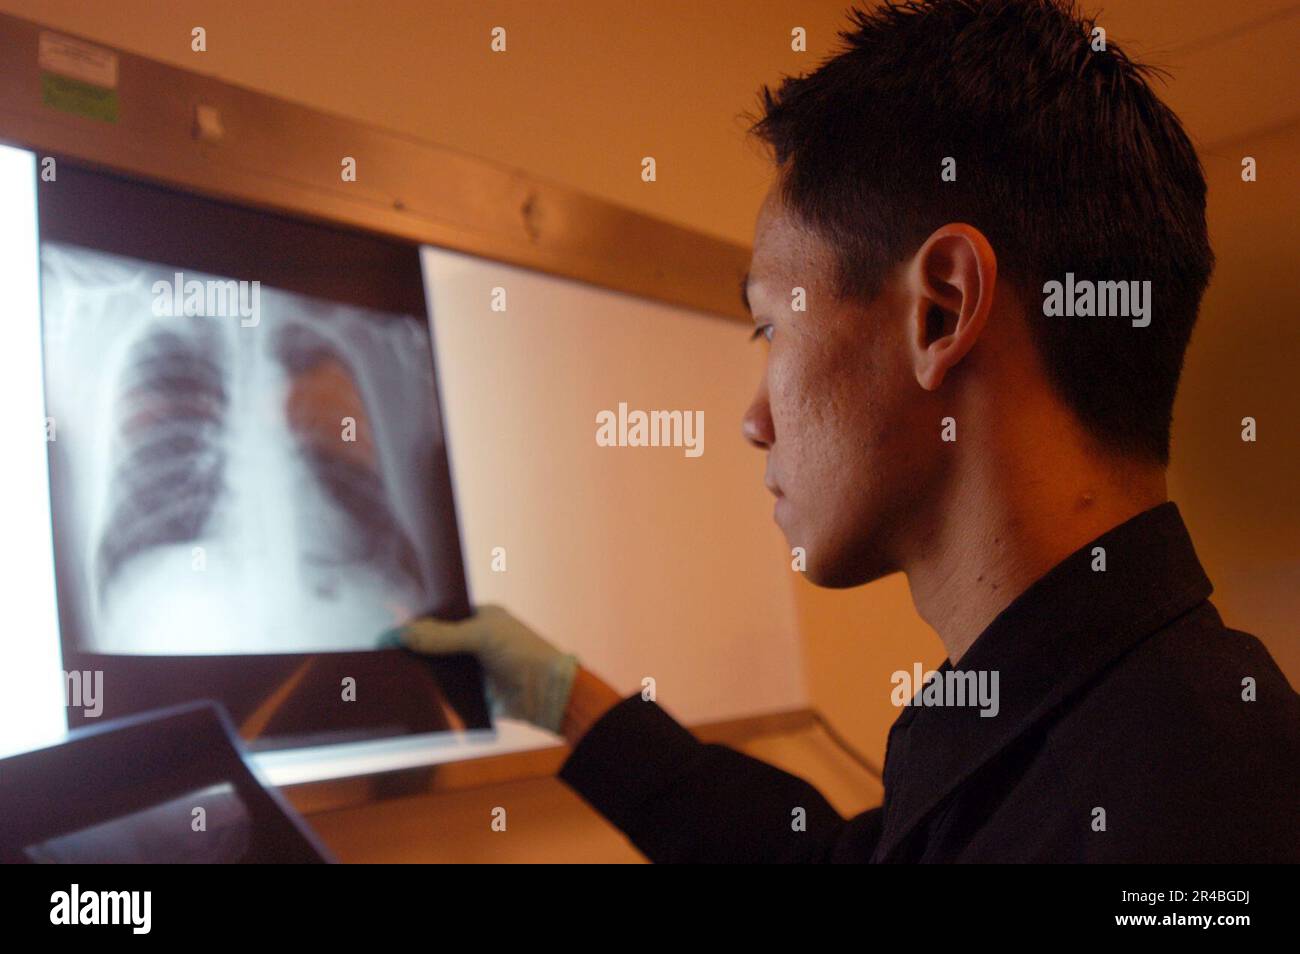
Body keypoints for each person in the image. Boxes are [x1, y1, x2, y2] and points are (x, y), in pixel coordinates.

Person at [401, 0, 1299, 862]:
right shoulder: (1104, 734)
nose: (753, 421)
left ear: (941, 312)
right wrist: (572, 704)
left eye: (770, 328)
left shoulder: (1187, 816)